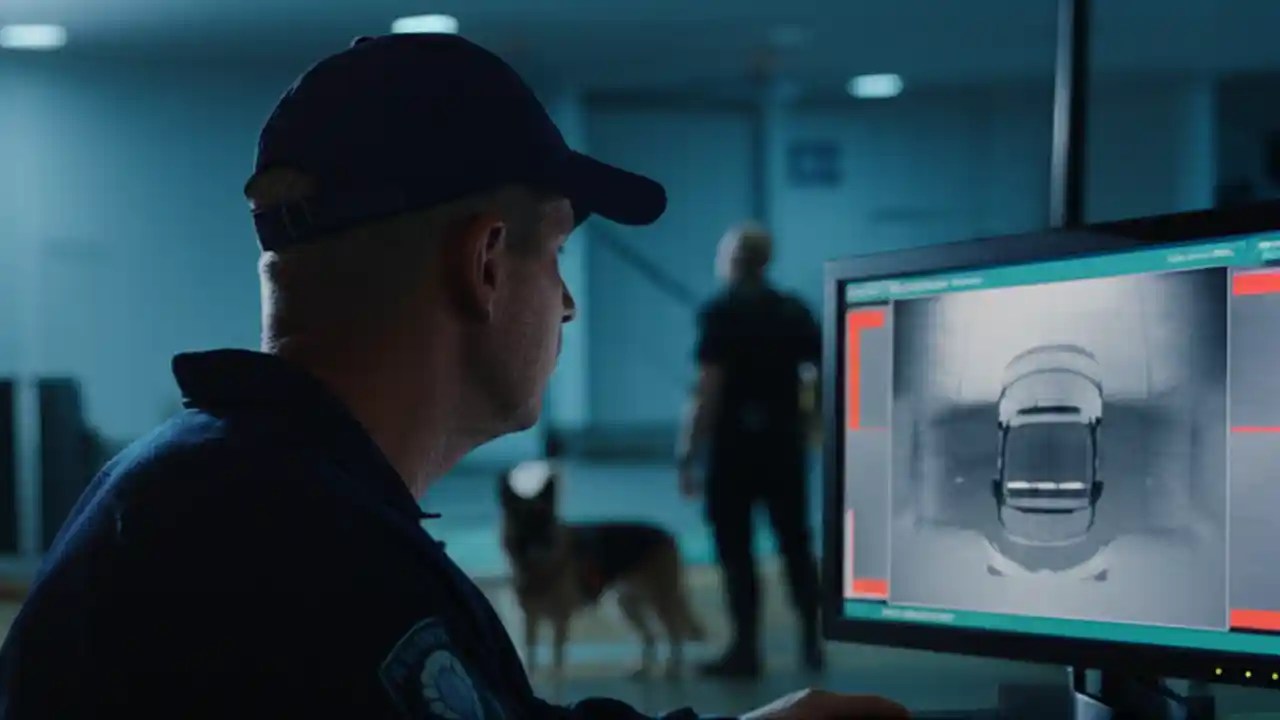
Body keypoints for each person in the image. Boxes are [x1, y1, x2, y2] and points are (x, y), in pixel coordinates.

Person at [0, 34, 906, 720]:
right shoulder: (314, 566)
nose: (566, 305)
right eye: (557, 256)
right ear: (485, 263)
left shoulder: (223, 490)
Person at [677, 222, 824, 679]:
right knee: (796, 544)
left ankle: (746, 649)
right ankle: (811, 642)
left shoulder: (719, 313)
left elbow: (708, 389)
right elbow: (819, 376)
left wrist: (687, 452)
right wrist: (811, 425)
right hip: (784, 447)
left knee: (736, 551)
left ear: (731, 260)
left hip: (732, 451)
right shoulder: (794, 311)